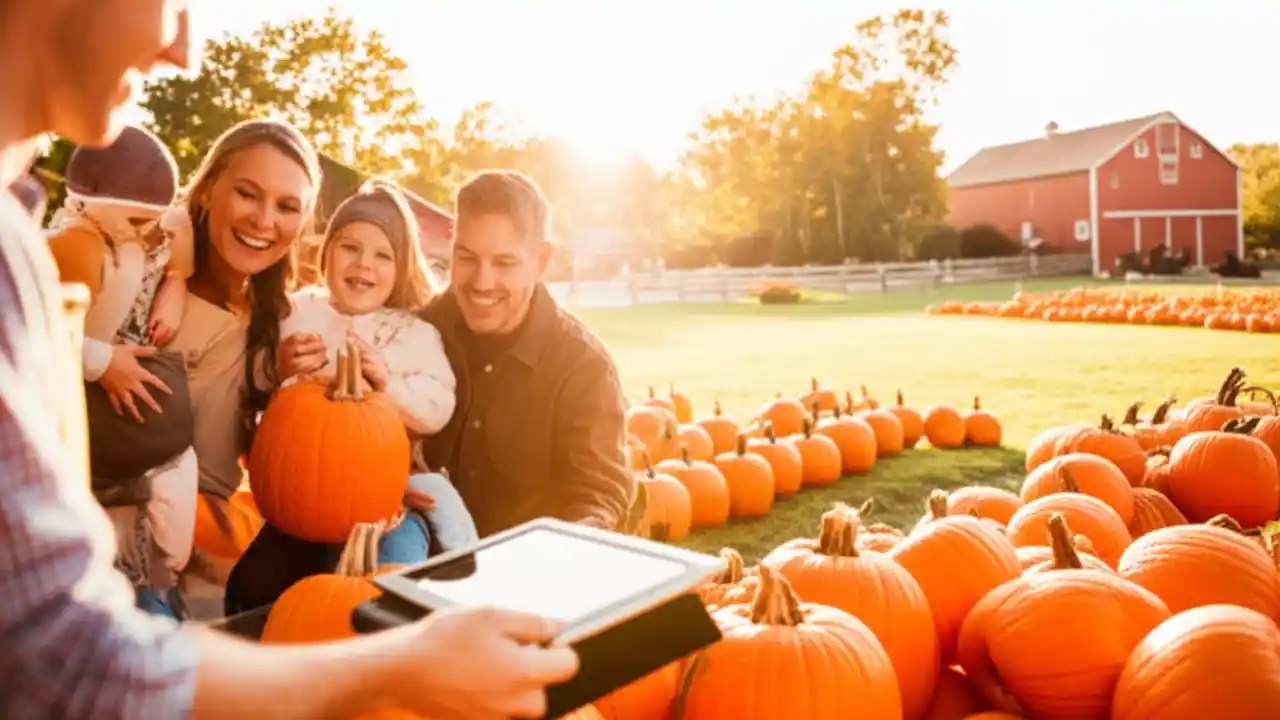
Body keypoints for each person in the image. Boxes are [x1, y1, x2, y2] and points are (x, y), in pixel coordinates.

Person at [0, 1, 578, 718]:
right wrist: (394, 666)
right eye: (169, 3)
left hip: (191, 552)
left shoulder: (269, 313)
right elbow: (60, 655)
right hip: (129, 550)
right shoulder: (114, 257)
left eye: (287, 208)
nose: (181, 47)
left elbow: (295, 437)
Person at [224, 181, 476, 614]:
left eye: (383, 255)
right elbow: (251, 386)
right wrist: (279, 367)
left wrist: (388, 385)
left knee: (386, 590)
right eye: (350, 248)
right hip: (303, 496)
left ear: (401, 269)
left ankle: (436, 605)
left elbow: (438, 406)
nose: (364, 264)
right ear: (327, 253)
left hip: (388, 500)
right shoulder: (296, 313)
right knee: (252, 589)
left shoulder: (413, 333)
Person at [417, 170, 635, 538]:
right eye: (467, 258)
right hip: (418, 567)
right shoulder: (419, 333)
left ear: (541, 260)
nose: (481, 282)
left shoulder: (583, 368)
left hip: (527, 578)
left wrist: (577, 540)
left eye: (503, 263)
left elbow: (598, 493)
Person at [43, 124, 198, 618]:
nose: (153, 232)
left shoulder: (151, 231)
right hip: (69, 387)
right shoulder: (79, 246)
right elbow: (42, 335)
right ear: (92, 205)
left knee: (173, 450)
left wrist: (174, 285)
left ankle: (161, 574)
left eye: (156, 222)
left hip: (122, 368)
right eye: (138, 220)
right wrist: (102, 362)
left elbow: (178, 234)